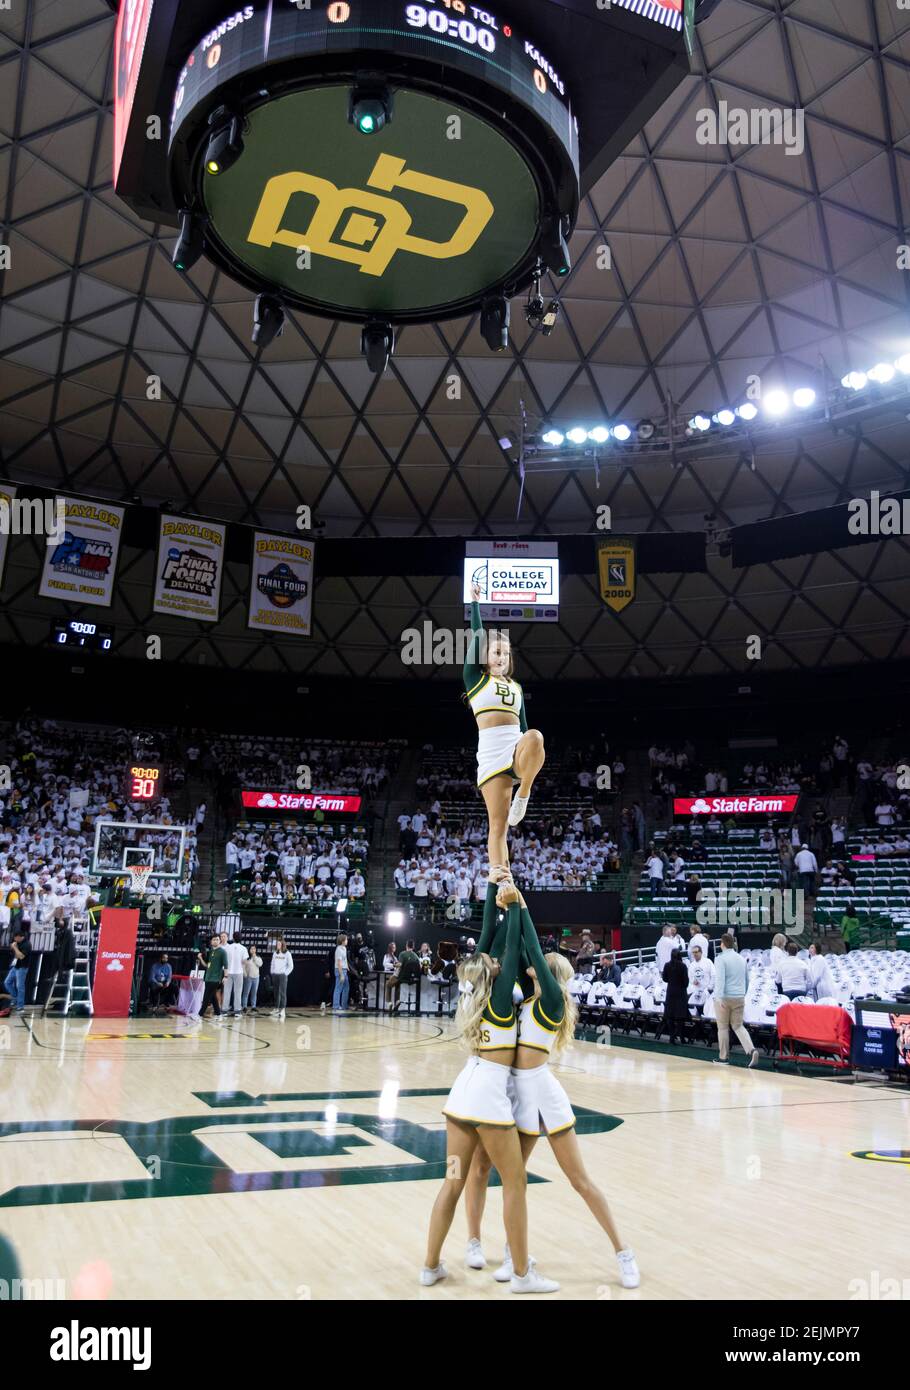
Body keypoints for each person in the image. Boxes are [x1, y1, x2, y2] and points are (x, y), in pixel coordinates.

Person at [463, 888, 639, 1291]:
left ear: (550, 975)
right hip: (518, 1098)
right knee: (514, 1182)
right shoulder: (525, 1001)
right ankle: (515, 1254)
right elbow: (519, 949)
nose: (531, 968)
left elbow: (531, 953)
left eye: (542, 967)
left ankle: (622, 1251)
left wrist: (521, 905)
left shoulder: (550, 1002)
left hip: (544, 1094)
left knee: (579, 1180)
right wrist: (506, 899)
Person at [422, 878, 559, 1294]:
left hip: (461, 1094)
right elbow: (512, 944)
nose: (501, 961)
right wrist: (515, 905)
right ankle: (521, 1274)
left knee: (453, 1180)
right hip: (488, 1097)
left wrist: (491, 885)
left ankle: (430, 1267)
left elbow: (487, 937)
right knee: (515, 1182)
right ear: (494, 971)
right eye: (498, 963)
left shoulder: (472, 989)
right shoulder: (501, 995)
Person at [463, 581, 546, 876]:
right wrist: (475, 603)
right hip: (491, 756)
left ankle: (523, 794)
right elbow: (476, 634)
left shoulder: (517, 687)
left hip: (516, 751)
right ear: (485, 656)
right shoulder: (475, 679)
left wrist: (526, 756)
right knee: (498, 827)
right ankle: (502, 876)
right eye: (497, 652)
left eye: (506, 653)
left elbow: (523, 728)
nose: (501, 657)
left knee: (535, 736)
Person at [713, 933, 760, 1067]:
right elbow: (747, 979)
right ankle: (752, 1050)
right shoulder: (741, 958)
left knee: (722, 1028)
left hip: (725, 997)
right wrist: (742, 994)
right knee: (738, 1026)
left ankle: (723, 1058)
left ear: (722, 943)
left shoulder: (720, 958)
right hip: (739, 996)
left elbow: (720, 979)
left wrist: (719, 997)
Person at [195, 933, 227, 1022]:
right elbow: (206, 965)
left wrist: (226, 976)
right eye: (214, 939)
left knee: (206, 997)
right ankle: (218, 1014)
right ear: (211, 942)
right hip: (208, 977)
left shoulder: (222, 952)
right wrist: (200, 958)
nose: (215, 941)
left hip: (216, 978)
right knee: (213, 997)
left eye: (217, 939)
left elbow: (226, 965)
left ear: (219, 941)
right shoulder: (211, 952)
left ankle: (199, 1015)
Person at [662, 950, 690, 1046]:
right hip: (681, 993)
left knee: (670, 1016)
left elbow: (664, 979)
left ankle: (671, 1037)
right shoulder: (683, 966)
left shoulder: (667, 965)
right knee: (680, 1017)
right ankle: (681, 1038)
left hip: (670, 992)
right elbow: (686, 982)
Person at [387, 939, 421, 1016]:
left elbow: (400, 965)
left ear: (406, 945)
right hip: (409, 978)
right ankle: (397, 1001)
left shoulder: (402, 954)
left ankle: (389, 1003)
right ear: (413, 946)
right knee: (397, 984)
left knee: (388, 985)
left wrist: (394, 965)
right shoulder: (416, 956)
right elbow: (420, 966)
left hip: (400, 976)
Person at [3, 929, 30, 1013]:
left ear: (20, 937)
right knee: (7, 982)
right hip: (15, 966)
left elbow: (21, 956)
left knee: (20, 987)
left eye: (16, 937)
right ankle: (15, 998)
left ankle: (20, 1006)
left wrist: (15, 947)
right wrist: (14, 947)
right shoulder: (17, 942)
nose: (14, 939)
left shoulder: (27, 944)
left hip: (22, 967)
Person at [222, 936, 249, 1018]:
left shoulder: (228, 947)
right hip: (238, 972)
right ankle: (237, 1011)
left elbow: (224, 961)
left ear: (233, 938)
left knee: (227, 991)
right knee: (238, 992)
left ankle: (224, 1010)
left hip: (228, 972)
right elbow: (244, 961)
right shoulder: (243, 948)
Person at [270, 939, 293, 1021]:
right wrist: (272, 972)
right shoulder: (275, 953)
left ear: (283, 944)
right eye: (277, 944)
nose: (278, 945)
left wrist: (285, 973)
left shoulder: (287, 953)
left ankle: (282, 1010)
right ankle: (276, 1008)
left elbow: (291, 966)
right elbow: (272, 963)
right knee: (276, 992)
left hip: (283, 975)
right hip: (275, 975)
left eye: (279, 944)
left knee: (282, 993)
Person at [242, 944, 262, 1013]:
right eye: (251, 949)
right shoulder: (246, 958)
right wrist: (245, 974)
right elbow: (243, 967)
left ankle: (253, 1006)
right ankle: (244, 1006)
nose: (253, 950)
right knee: (246, 992)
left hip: (256, 977)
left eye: (254, 949)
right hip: (248, 977)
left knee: (254, 992)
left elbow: (260, 964)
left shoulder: (258, 957)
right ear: (249, 950)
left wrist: (254, 958)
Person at [333, 933, 349, 1014]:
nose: (347, 941)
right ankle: (336, 1005)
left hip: (345, 969)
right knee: (338, 988)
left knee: (346, 987)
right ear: (342, 941)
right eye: (346, 939)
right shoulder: (338, 949)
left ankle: (344, 1005)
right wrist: (341, 974)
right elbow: (339, 962)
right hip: (340, 970)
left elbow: (344, 960)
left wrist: (347, 967)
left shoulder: (344, 948)